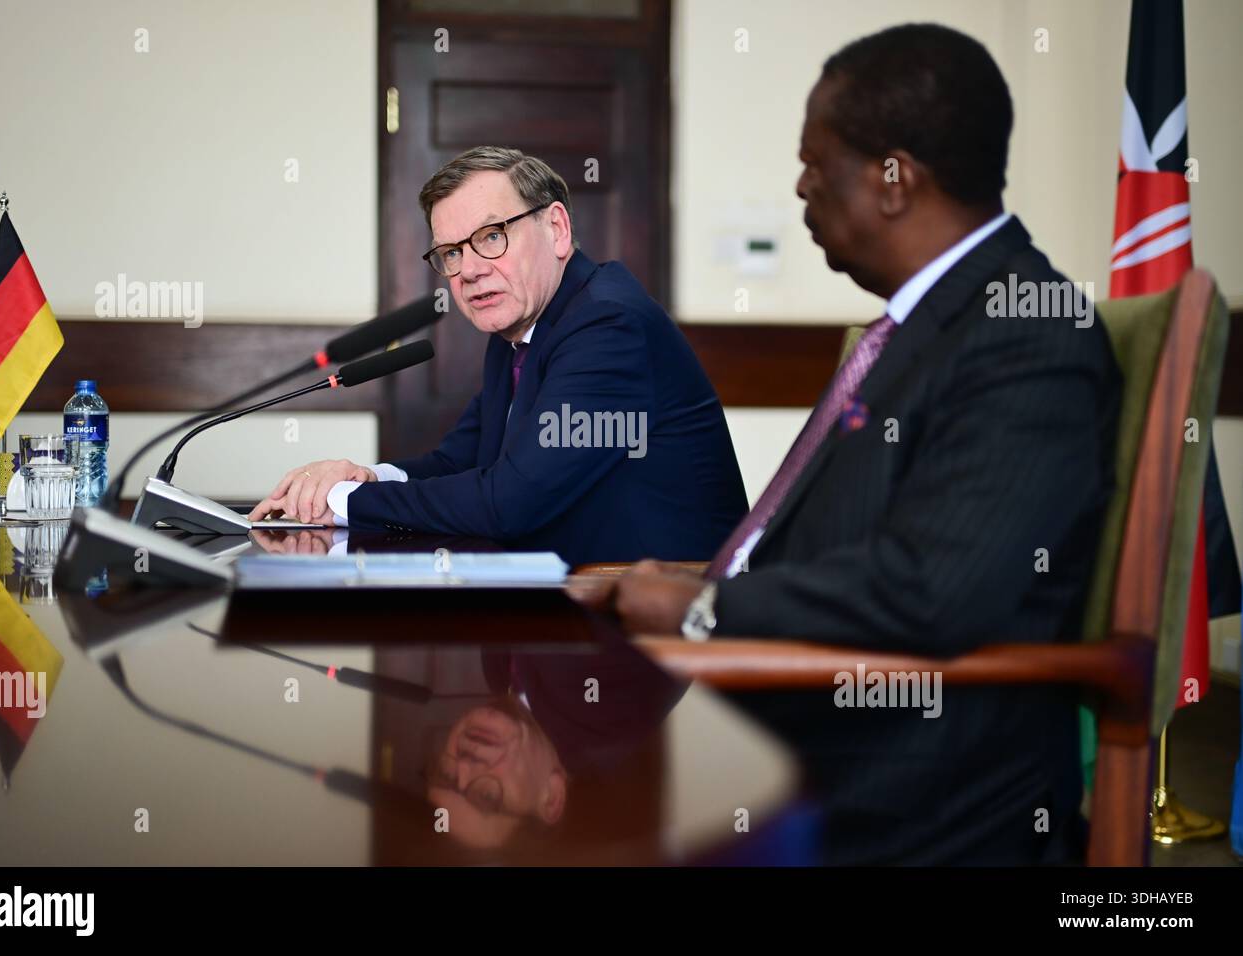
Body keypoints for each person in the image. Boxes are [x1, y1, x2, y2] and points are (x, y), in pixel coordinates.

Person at [584, 23, 1123, 865]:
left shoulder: (1027, 332)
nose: (800, 186)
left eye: (815, 159)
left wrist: (707, 609)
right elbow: (843, 552)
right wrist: (691, 582)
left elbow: (935, 590)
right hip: (789, 737)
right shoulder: (911, 332)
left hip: (905, 800)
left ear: (894, 179)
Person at [251, 147, 747, 567]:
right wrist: (365, 475)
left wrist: (339, 502)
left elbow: (511, 502)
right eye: (450, 252)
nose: (468, 270)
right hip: (572, 605)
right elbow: (459, 460)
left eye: (491, 237)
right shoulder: (521, 326)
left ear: (556, 229)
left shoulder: (608, 326)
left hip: (658, 622)